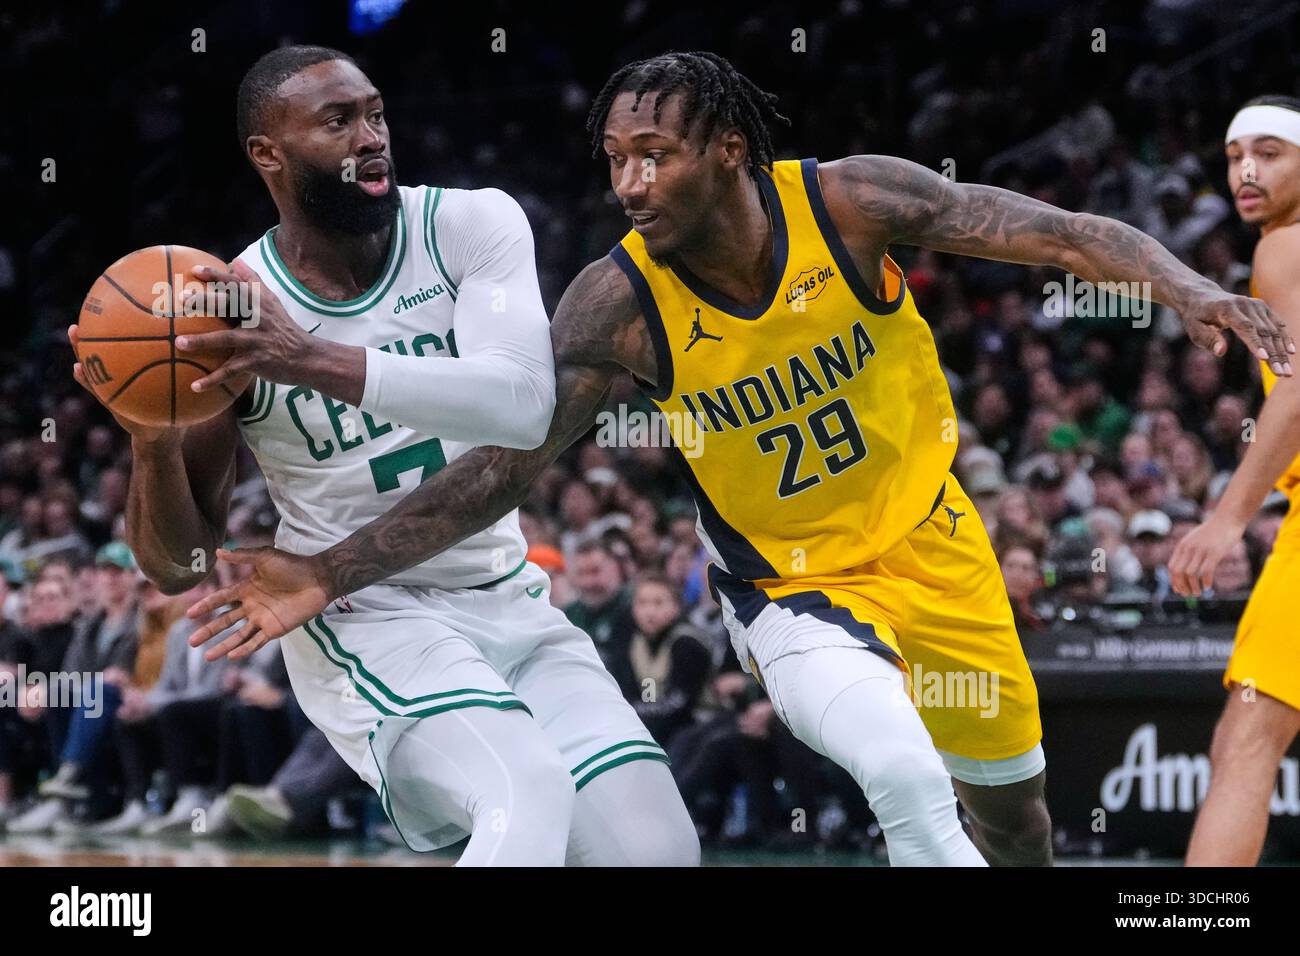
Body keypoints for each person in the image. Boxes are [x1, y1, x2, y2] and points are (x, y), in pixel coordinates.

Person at [187, 52, 1292, 867]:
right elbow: (502, 469)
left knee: (1015, 817)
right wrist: (328, 570)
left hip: (937, 544)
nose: (628, 184)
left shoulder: (852, 201)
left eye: (653, 157)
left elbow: (1052, 230)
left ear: (727, 152)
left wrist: (1186, 286)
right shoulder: (617, 303)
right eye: (615, 160)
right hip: (790, 587)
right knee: (903, 773)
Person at [69, 45, 696, 866]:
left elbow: (520, 406)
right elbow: (179, 565)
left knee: (657, 851)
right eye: (337, 122)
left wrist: (307, 358)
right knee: (525, 790)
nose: (370, 138)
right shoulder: (227, 306)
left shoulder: (468, 225)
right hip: (360, 611)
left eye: (375, 114)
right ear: (268, 153)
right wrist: (152, 435)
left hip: (507, 596)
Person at [1170, 95, 1300, 866]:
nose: (1247, 170)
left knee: (1248, 737)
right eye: (1233, 156)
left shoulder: (1285, 246)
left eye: (1270, 153)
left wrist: (1227, 518)